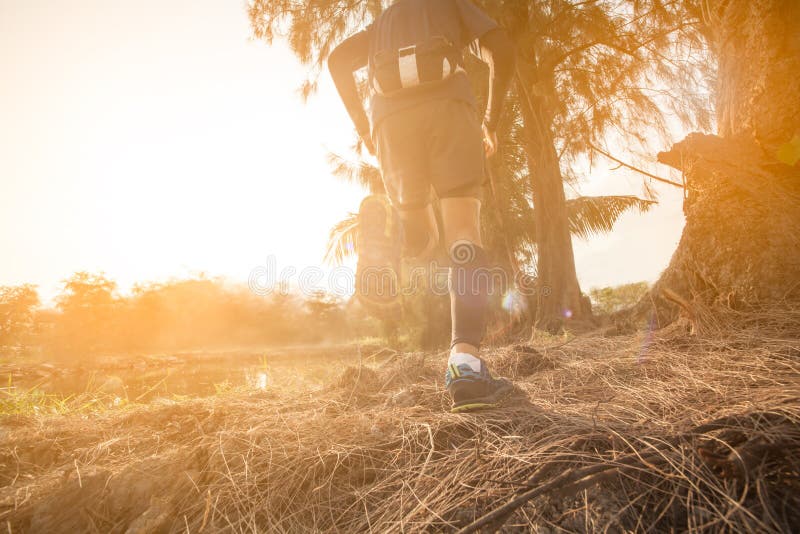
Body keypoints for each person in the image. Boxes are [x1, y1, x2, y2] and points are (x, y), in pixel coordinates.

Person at [328, 0, 515, 412]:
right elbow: (500, 46)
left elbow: (339, 59)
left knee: (421, 235)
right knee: (463, 235)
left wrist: (365, 129)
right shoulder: (450, 8)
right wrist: (491, 120)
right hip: (450, 111)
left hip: (390, 123)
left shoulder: (384, 22)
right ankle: (465, 365)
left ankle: (387, 232)